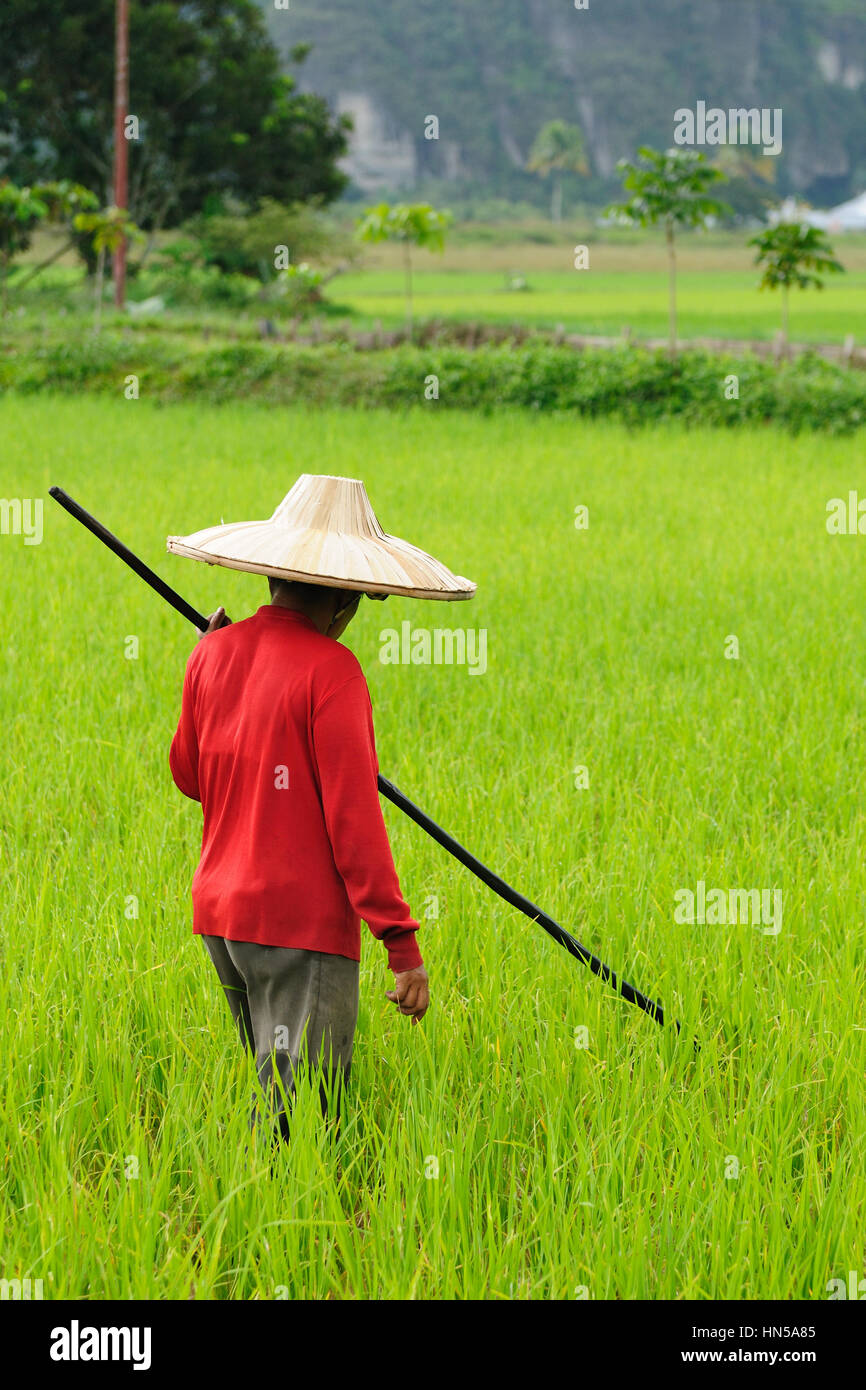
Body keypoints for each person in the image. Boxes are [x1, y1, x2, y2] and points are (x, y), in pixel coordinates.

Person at [166, 473, 475, 1149]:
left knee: (275, 1085)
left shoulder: (212, 652)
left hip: (224, 919)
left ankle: (266, 1210)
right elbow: (354, 825)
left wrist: (206, 663)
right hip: (296, 925)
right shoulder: (332, 671)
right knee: (300, 1116)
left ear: (274, 577)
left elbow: (190, 776)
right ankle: (279, 1226)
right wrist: (403, 944)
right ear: (345, 598)